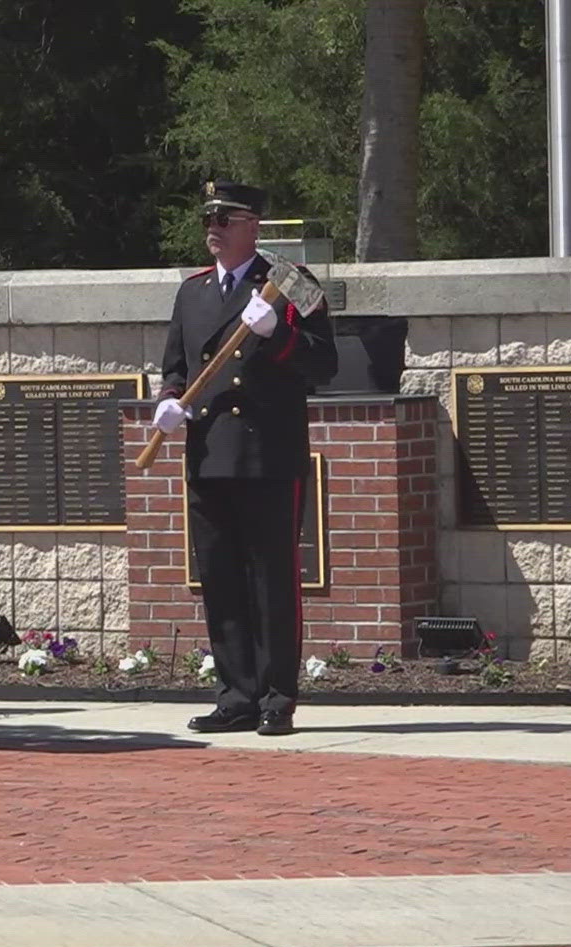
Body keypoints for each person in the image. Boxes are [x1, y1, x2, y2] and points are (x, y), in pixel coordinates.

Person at [151, 180, 338, 736]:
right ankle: (235, 694)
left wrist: (277, 333)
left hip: (265, 453)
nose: (212, 229)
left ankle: (276, 697)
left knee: (271, 580)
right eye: (208, 219)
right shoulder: (193, 292)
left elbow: (324, 365)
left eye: (224, 220)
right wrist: (167, 404)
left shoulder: (289, 285)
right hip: (208, 453)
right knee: (221, 579)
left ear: (252, 225)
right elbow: (176, 368)